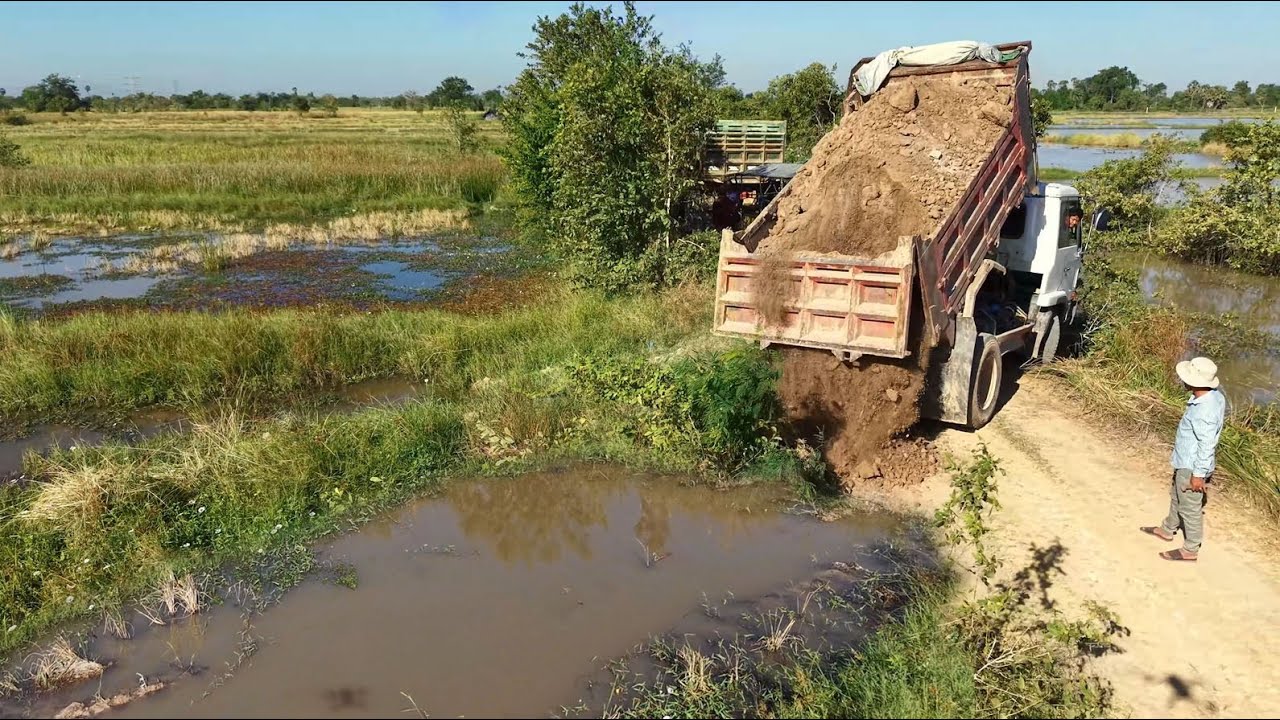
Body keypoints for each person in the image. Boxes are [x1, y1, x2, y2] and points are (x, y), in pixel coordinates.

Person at [1141, 357, 1226, 562]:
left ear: (1195, 382)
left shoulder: (1204, 410)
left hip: (1192, 466)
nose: (1182, 380)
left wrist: (1198, 476)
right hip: (1185, 461)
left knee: (1190, 507)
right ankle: (1168, 528)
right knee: (1177, 495)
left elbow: (1207, 445)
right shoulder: (1214, 397)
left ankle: (1190, 549)